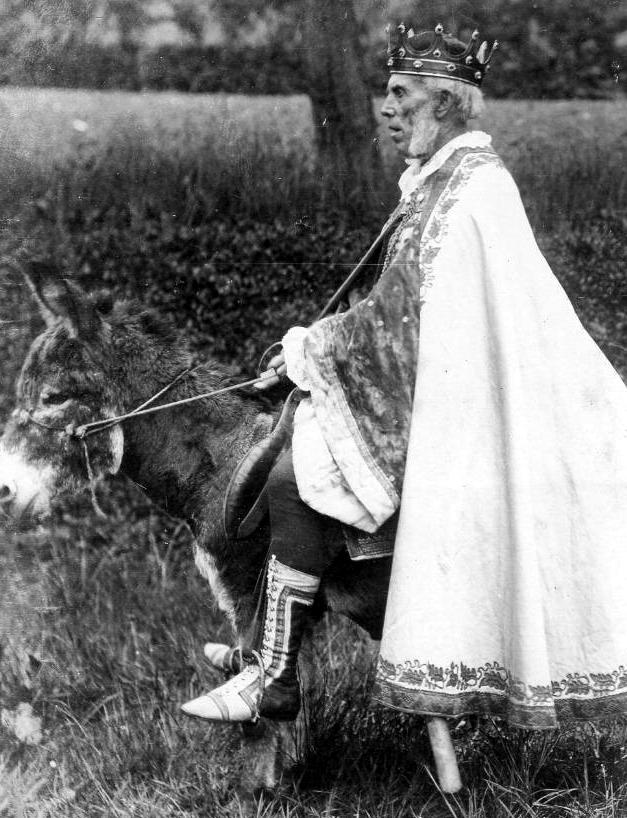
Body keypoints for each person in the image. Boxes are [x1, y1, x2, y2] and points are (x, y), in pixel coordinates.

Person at [183, 23, 627, 729]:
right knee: (286, 446)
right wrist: (314, 347)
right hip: (431, 399)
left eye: (399, 95)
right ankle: (268, 660)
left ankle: (273, 674)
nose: (385, 110)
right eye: (386, 94)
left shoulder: (474, 191)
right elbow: (391, 308)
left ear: (445, 103)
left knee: (293, 475)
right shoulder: (434, 184)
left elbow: (408, 324)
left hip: (469, 421)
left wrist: (312, 347)